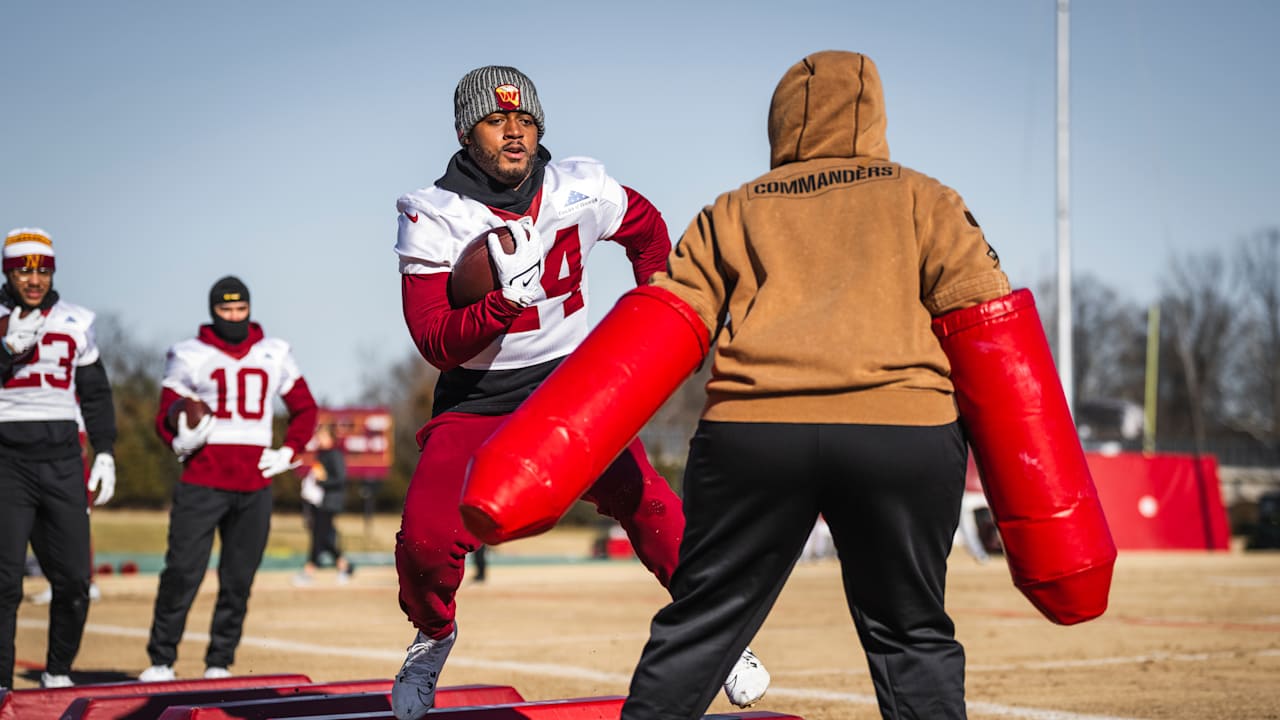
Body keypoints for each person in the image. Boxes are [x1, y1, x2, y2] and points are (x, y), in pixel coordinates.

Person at [608, 51, 1014, 718]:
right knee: (910, 631)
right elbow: (983, 312)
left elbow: (669, 320)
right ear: (874, 115)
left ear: (780, 121)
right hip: (901, 428)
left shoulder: (732, 209)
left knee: (702, 623)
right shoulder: (926, 198)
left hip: (755, 429)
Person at [389, 65, 769, 720]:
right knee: (425, 542)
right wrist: (502, 304)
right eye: (496, 120)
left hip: (569, 385)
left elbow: (647, 230)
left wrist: (658, 314)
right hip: (478, 396)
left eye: (525, 120)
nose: (514, 132)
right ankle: (433, 634)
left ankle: (718, 635)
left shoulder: (580, 187)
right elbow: (433, 340)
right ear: (464, 133)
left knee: (650, 504)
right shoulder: (434, 214)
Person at [138, 275, 317, 681]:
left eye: (240, 309)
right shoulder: (189, 354)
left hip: (255, 483)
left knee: (238, 579)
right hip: (203, 478)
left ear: (249, 309)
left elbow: (305, 408)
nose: (234, 316)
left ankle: (219, 662)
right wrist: (176, 437)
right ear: (213, 310)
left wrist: (289, 450)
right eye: (226, 309)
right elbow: (165, 413)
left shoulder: (275, 352)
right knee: (182, 571)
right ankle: (161, 660)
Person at [0, 228, 117, 690]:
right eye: (24, 272)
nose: (34, 281)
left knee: (73, 580)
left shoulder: (77, 320)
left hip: (63, 459)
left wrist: (105, 451)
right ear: (8, 272)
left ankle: (57, 672)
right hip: (6, 460)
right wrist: (4, 352)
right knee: (5, 581)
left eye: (43, 271)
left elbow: (96, 392)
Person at [293, 424, 353, 586]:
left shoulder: (335, 455)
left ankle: (309, 571)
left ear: (331, 438)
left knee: (319, 536)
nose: (319, 439)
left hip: (330, 502)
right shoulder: (321, 455)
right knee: (323, 536)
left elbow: (340, 479)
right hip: (319, 501)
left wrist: (322, 482)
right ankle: (344, 566)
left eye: (322, 436)